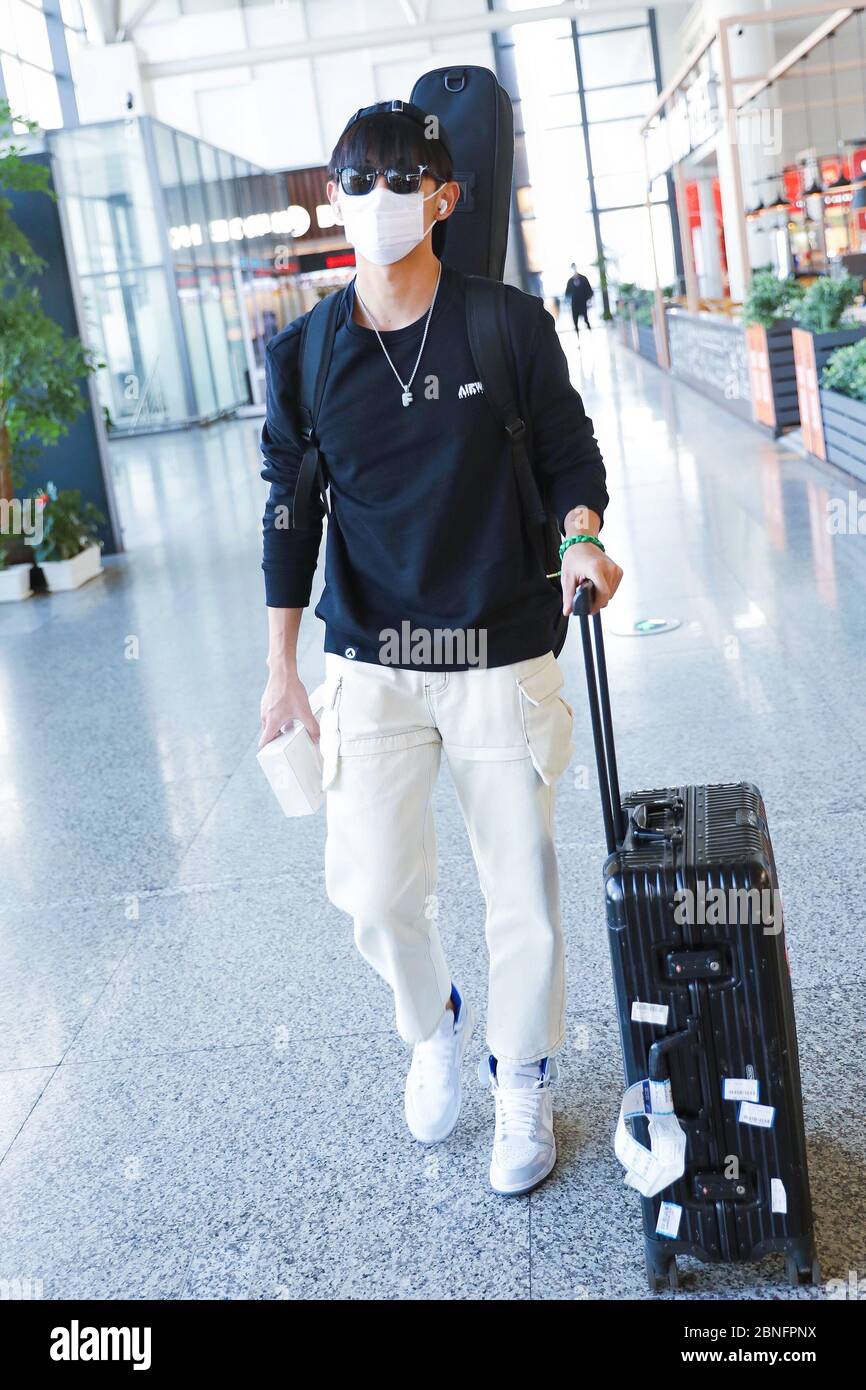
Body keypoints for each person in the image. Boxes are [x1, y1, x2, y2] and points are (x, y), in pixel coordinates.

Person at [258, 100, 622, 1196]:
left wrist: (582, 539)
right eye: (355, 180)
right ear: (333, 199)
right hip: (370, 659)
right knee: (373, 891)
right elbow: (288, 515)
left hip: (500, 644)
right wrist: (280, 670)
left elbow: (570, 456)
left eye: (399, 179)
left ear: (444, 197)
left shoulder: (504, 325)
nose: (376, 198)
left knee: (521, 886)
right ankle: (433, 1024)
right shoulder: (305, 355)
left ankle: (523, 1073)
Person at [564, 264, 593, 336]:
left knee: (586, 320)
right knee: (575, 322)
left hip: (583, 303)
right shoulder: (570, 281)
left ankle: (591, 334)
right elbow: (567, 293)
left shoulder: (583, 278)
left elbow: (589, 290)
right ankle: (578, 337)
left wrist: (588, 299)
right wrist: (568, 303)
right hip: (574, 304)